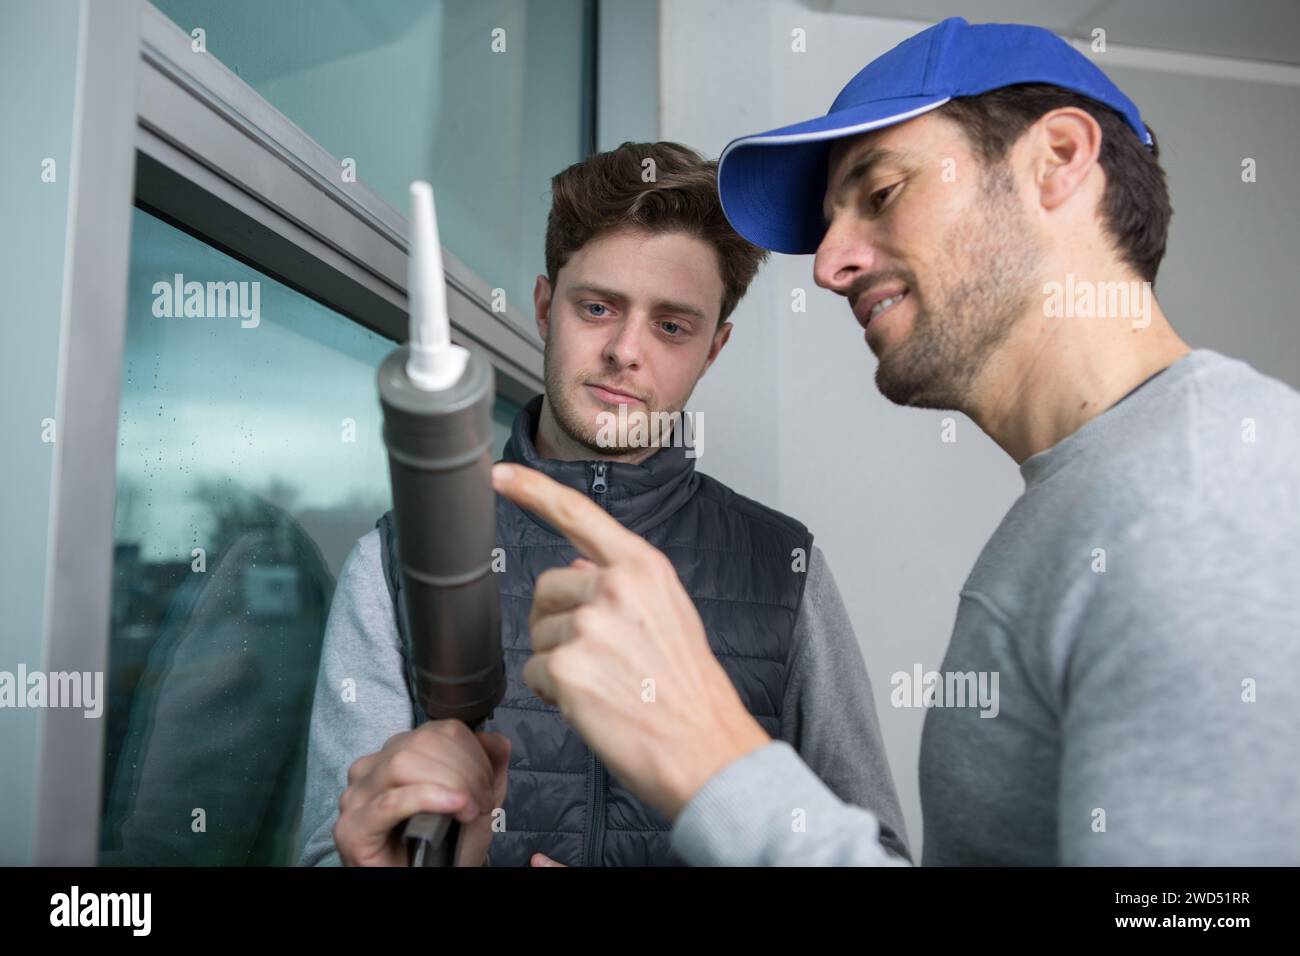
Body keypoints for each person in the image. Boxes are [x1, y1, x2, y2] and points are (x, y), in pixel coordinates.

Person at [491, 17, 1300, 865]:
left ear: (1058, 161)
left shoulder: (1207, 498)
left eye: (879, 194)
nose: (827, 264)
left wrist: (715, 766)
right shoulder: (1081, 504)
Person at [297, 142, 910, 867]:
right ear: (543, 308)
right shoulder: (395, 560)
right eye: (597, 307)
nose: (625, 350)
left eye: (672, 326)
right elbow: (329, 852)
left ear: (712, 351)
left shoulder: (788, 567)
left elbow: (881, 854)